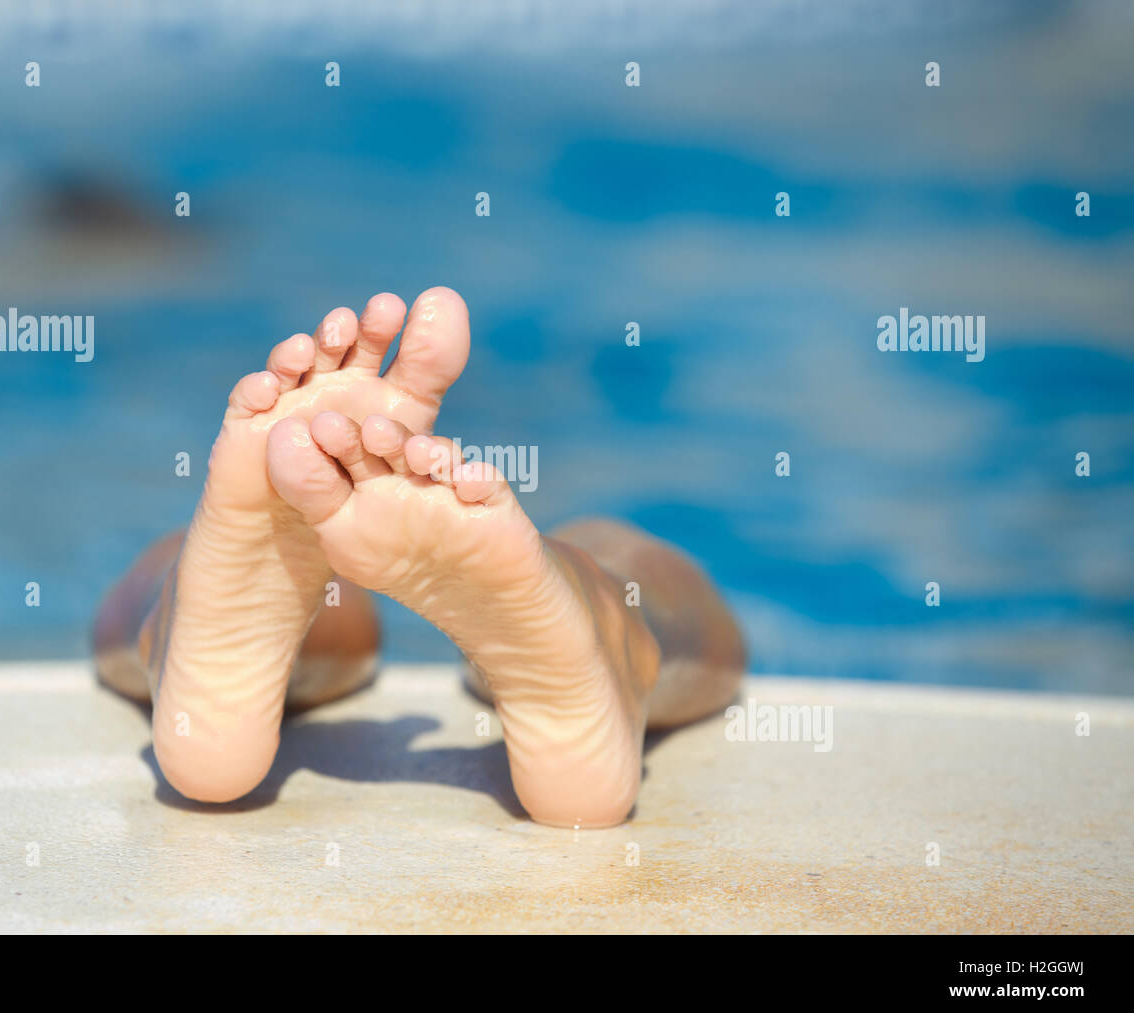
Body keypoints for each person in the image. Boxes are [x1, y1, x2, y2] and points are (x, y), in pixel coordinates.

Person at [93, 288, 744, 827]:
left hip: (292, 600)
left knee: (323, 606)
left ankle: (170, 618)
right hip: (577, 593)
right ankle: (614, 629)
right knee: (616, 548)